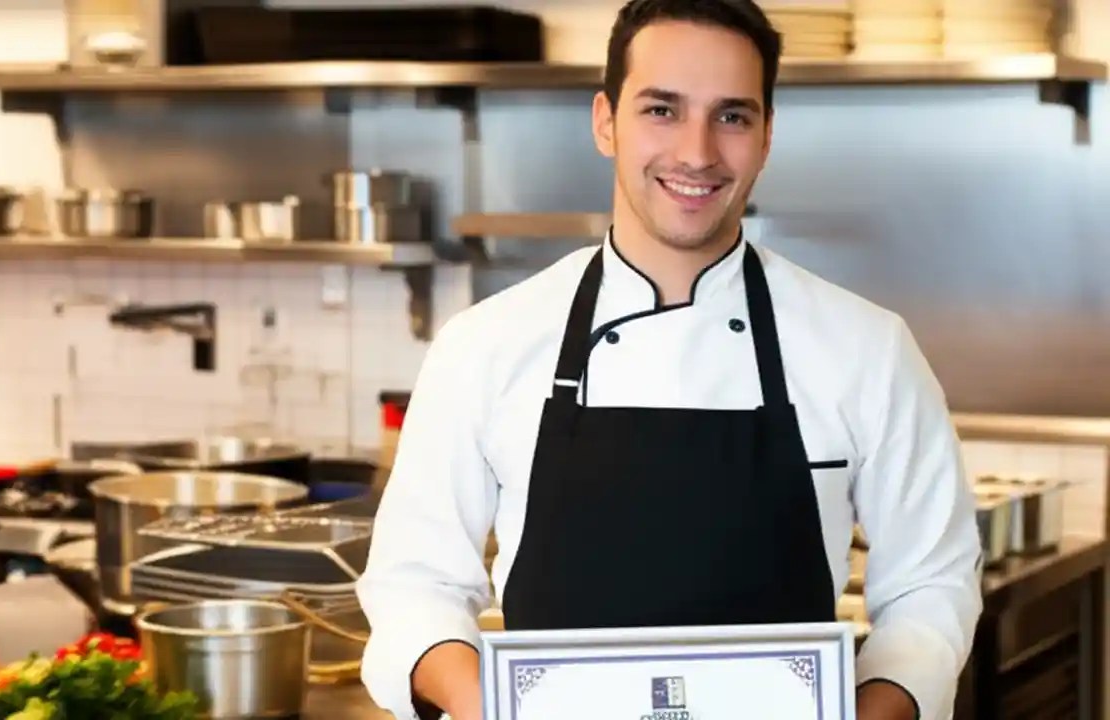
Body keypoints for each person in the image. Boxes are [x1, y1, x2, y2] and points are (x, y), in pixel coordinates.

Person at [355, 0, 983, 718]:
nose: (696, 153)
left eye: (733, 116)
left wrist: (874, 712)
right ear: (604, 121)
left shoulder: (868, 349)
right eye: (662, 109)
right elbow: (415, 584)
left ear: (767, 135)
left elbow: (931, 587)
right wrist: (486, 709)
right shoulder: (486, 345)